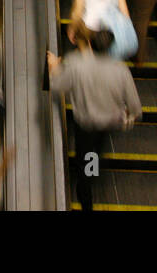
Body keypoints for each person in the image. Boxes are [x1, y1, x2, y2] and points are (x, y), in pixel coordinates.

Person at [48, 23, 142, 211]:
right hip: (108, 124)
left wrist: (54, 67)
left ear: (90, 44)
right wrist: (129, 117)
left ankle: (86, 195)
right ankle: (92, 169)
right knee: (95, 151)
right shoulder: (121, 70)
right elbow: (136, 109)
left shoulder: (76, 64)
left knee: (86, 159)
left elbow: (57, 86)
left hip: (86, 124)